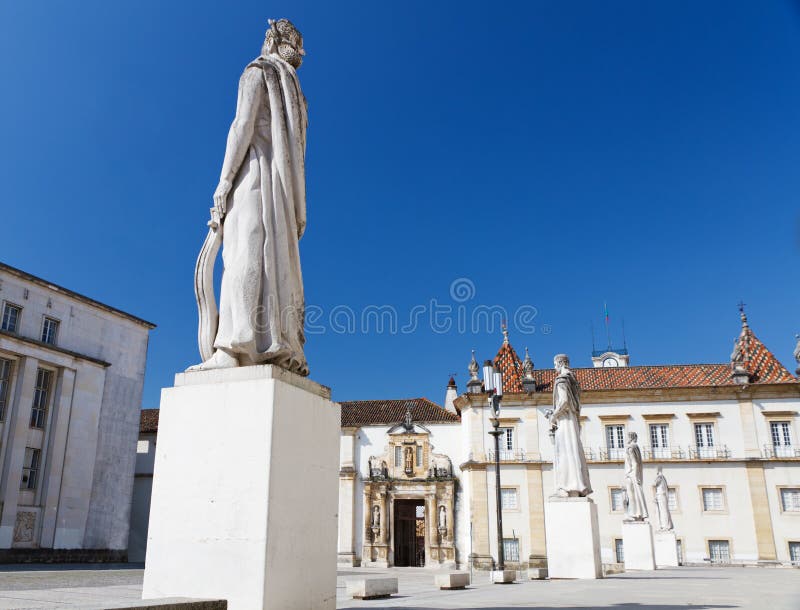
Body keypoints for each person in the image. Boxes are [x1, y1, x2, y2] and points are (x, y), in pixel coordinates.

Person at [191, 19, 309, 375]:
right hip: (283, 193)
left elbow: (242, 126)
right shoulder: (298, 97)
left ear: (270, 41)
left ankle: (233, 346)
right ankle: (274, 346)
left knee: (243, 254)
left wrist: (224, 182)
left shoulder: (257, 73)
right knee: (275, 265)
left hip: (254, 174)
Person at [548, 354, 592, 497]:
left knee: (565, 452)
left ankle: (566, 486)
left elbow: (564, 401)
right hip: (572, 419)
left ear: (560, 363)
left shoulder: (562, 380)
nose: (554, 367)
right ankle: (576, 487)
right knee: (573, 451)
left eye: (555, 364)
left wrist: (553, 415)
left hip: (564, 420)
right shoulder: (573, 380)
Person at [623, 432, 649, 521]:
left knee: (631, 495)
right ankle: (638, 513)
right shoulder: (636, 447)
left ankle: (633, 514)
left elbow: (635, 462)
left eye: (626, 437)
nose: (625, 439)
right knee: (635, 494)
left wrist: (632, 474)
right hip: (634, 474)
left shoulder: (630, 448)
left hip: (631, 474)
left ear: (630, 437)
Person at [654, 466, 674, 531]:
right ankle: (663, 525)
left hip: (661, 495)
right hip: (660, 495)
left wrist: (659, 475)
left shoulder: (660, 477)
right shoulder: (661, 478)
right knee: (661, 511)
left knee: (663, 511)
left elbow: (656, 482)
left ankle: (665, 525)